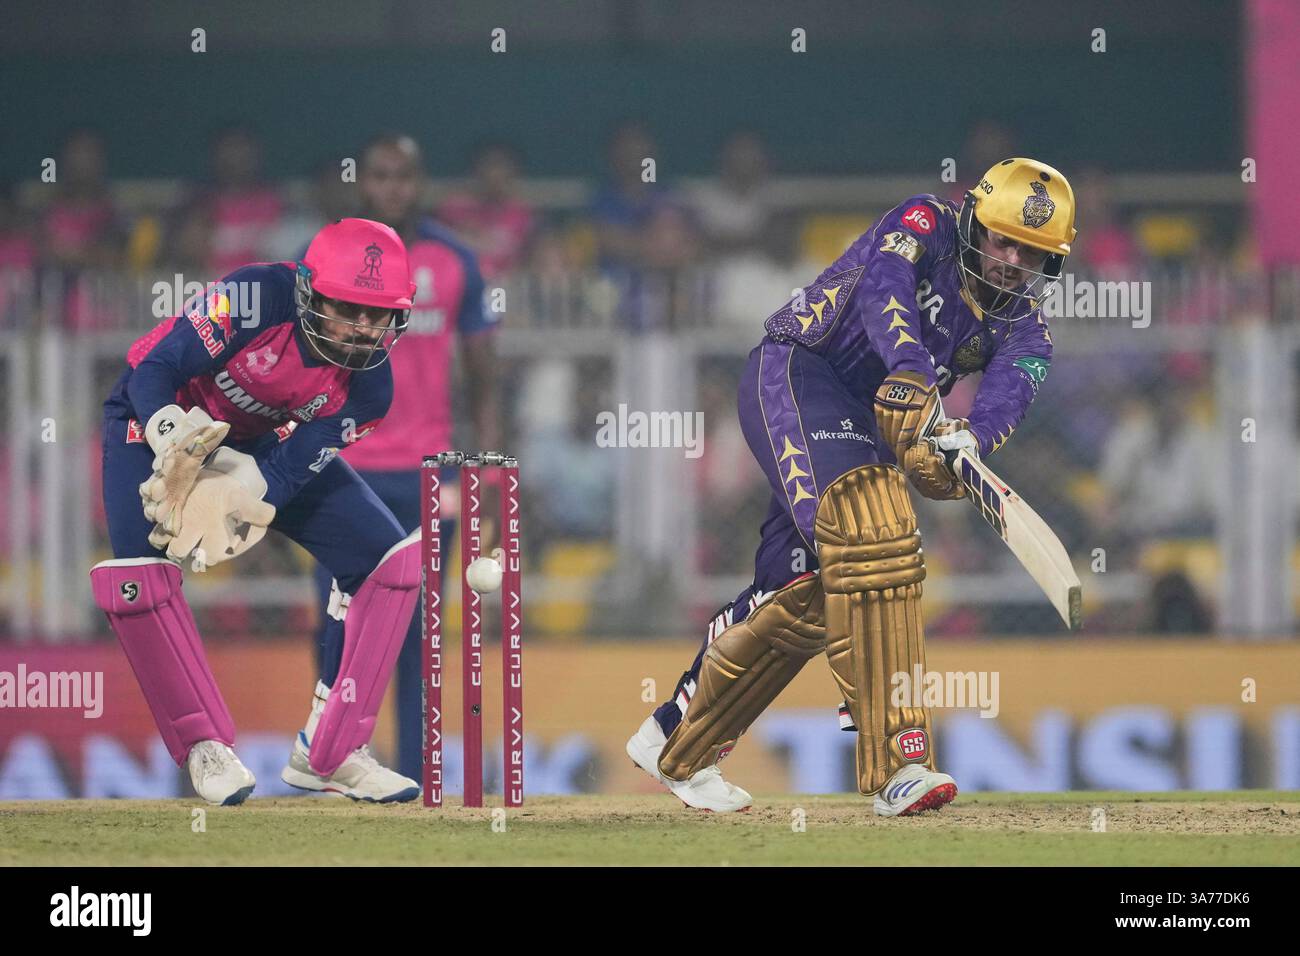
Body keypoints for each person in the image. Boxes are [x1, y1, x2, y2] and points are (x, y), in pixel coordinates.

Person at [627, 158, 1077, 816]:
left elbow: (1006, 396)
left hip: (861, 427)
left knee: (805, 593)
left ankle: (676, 739)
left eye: (1030, 251)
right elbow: (883, 288)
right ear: (975, 221)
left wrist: (966, 444)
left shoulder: (1025, 330)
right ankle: (900, 763)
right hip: (799, 370)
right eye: (1003, 239)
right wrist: (912, 368)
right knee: (874, 536)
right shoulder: (924, 222)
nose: (1011, 260)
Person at [92, 217, 424, 805]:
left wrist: (243, 498)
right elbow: (157, 369)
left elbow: (286, 472)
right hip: (154, 420)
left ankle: (333, 750)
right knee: (139, 583)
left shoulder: (370, 390)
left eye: (380, 315)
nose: (363, 330)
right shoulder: (252, 297)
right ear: (309, 290)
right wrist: (173, 439)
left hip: (257, 442)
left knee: (388, 562)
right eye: (349, 308)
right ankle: (203, 747)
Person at [310, 133, 499, 786]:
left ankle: (421, 778)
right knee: (339, 630)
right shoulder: (333, 259)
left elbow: (483, 379)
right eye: (380, 176)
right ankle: (327, 763)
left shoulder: (455, 262)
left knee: (419, 636)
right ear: (362, 183)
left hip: (429, 476)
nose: (392, 188)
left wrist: (489, 473)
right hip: (344, 471)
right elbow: (303, 368)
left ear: (420, 182)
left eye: (403, 176)